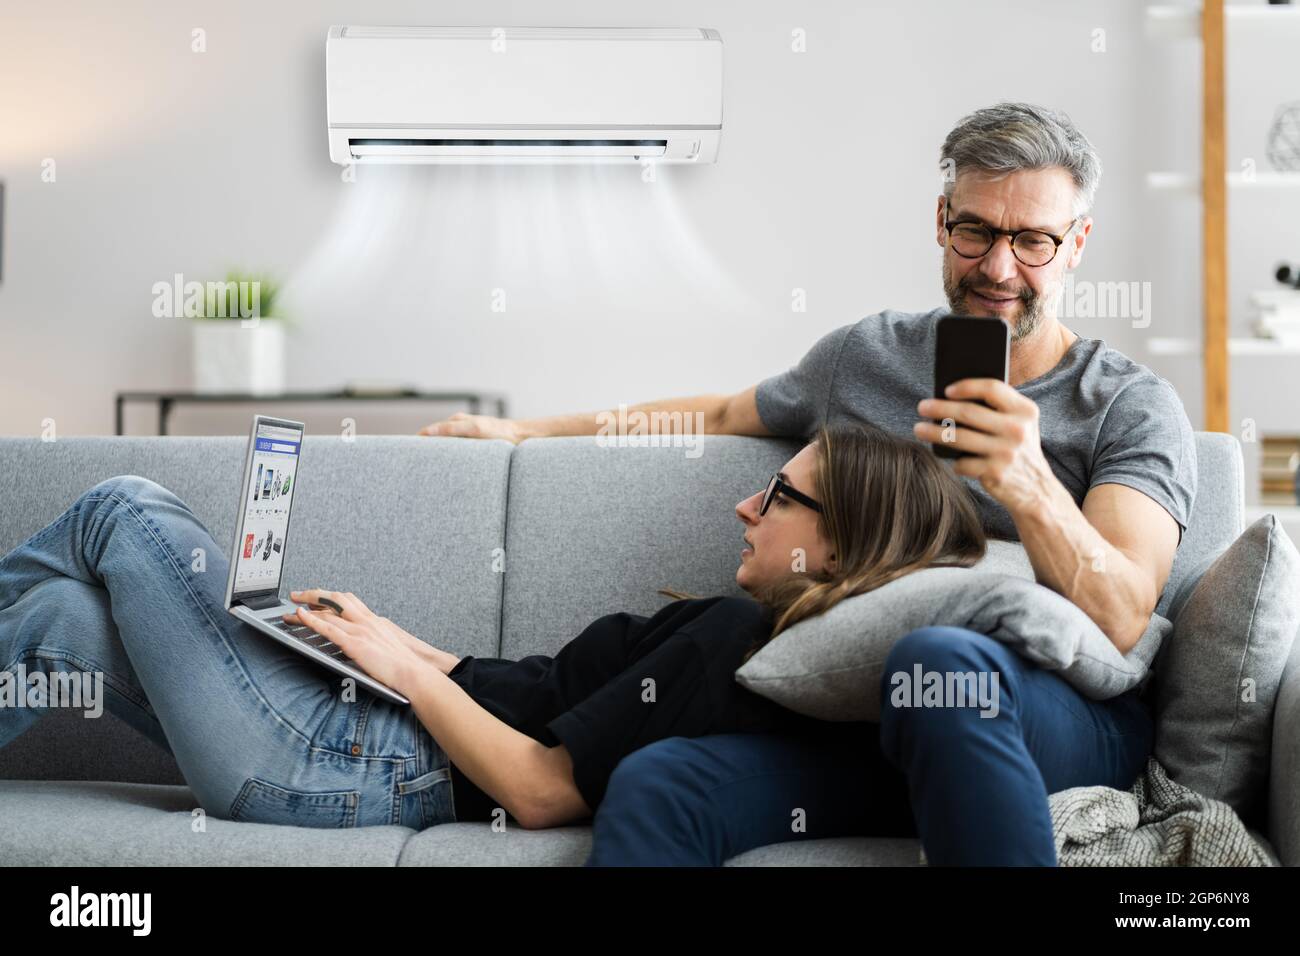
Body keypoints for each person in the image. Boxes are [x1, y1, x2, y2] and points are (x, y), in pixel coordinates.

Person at [416, 102, 1196, 864]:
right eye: (975, 231)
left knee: (938, 668)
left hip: (1050, 720)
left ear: (1077, 243)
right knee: (662, 781)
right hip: (860, 725)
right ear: (940, 221)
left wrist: (1029, 487)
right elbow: (723, 411)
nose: (998, 267)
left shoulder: (1127, 406)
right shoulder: (867, 357)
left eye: (1032, 241)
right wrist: (524, 431)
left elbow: (1124, 615)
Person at [0, 423, 978, 836]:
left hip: (349, 762)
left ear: (843, 545)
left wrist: (404, 675)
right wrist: (399, 641)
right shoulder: (735, 631)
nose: (743, 504)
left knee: (126, 505)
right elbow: (538, 689)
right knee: (60, 619)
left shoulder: (731, 637)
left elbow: (541, 788)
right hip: (358, 730)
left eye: (777, 492)